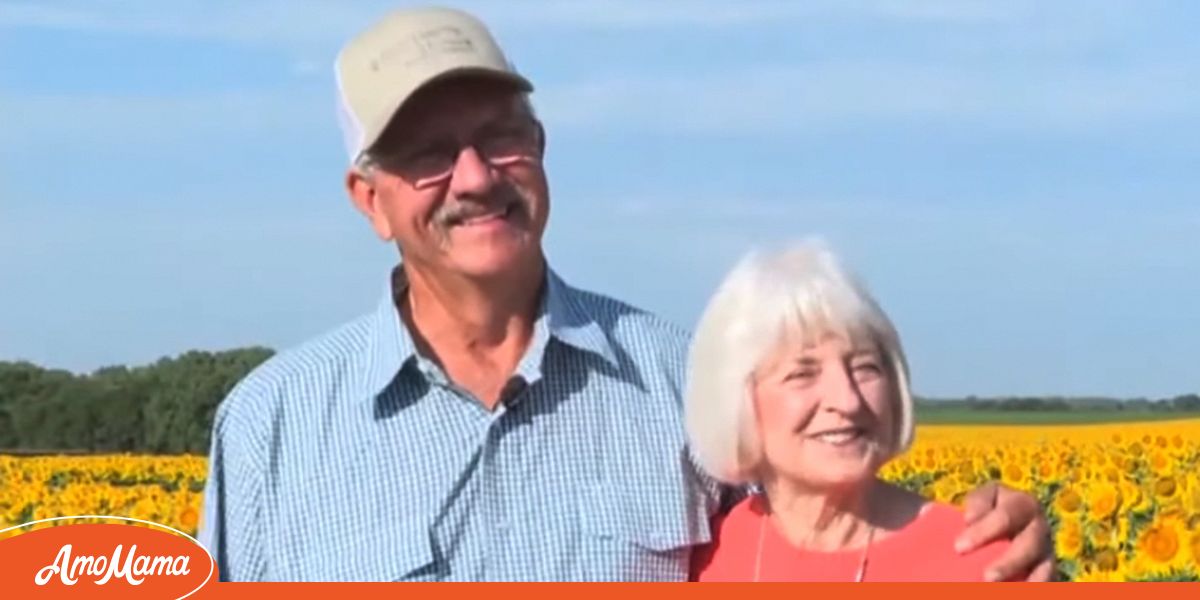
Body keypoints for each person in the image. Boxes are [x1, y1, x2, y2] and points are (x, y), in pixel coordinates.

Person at [198, 6, 1053, 582]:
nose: (472, 178)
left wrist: (981, 541)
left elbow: (823, 541)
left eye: (500, 140)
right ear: (369, 198)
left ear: (539, 148)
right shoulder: (274, 426)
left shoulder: (686, 383)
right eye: (428, 153)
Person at [686, 241, 1015, 581]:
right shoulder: (713, 554)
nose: (848, 400)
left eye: (866, 368)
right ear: (737, 401)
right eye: (803, 373)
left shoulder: (982, 560)